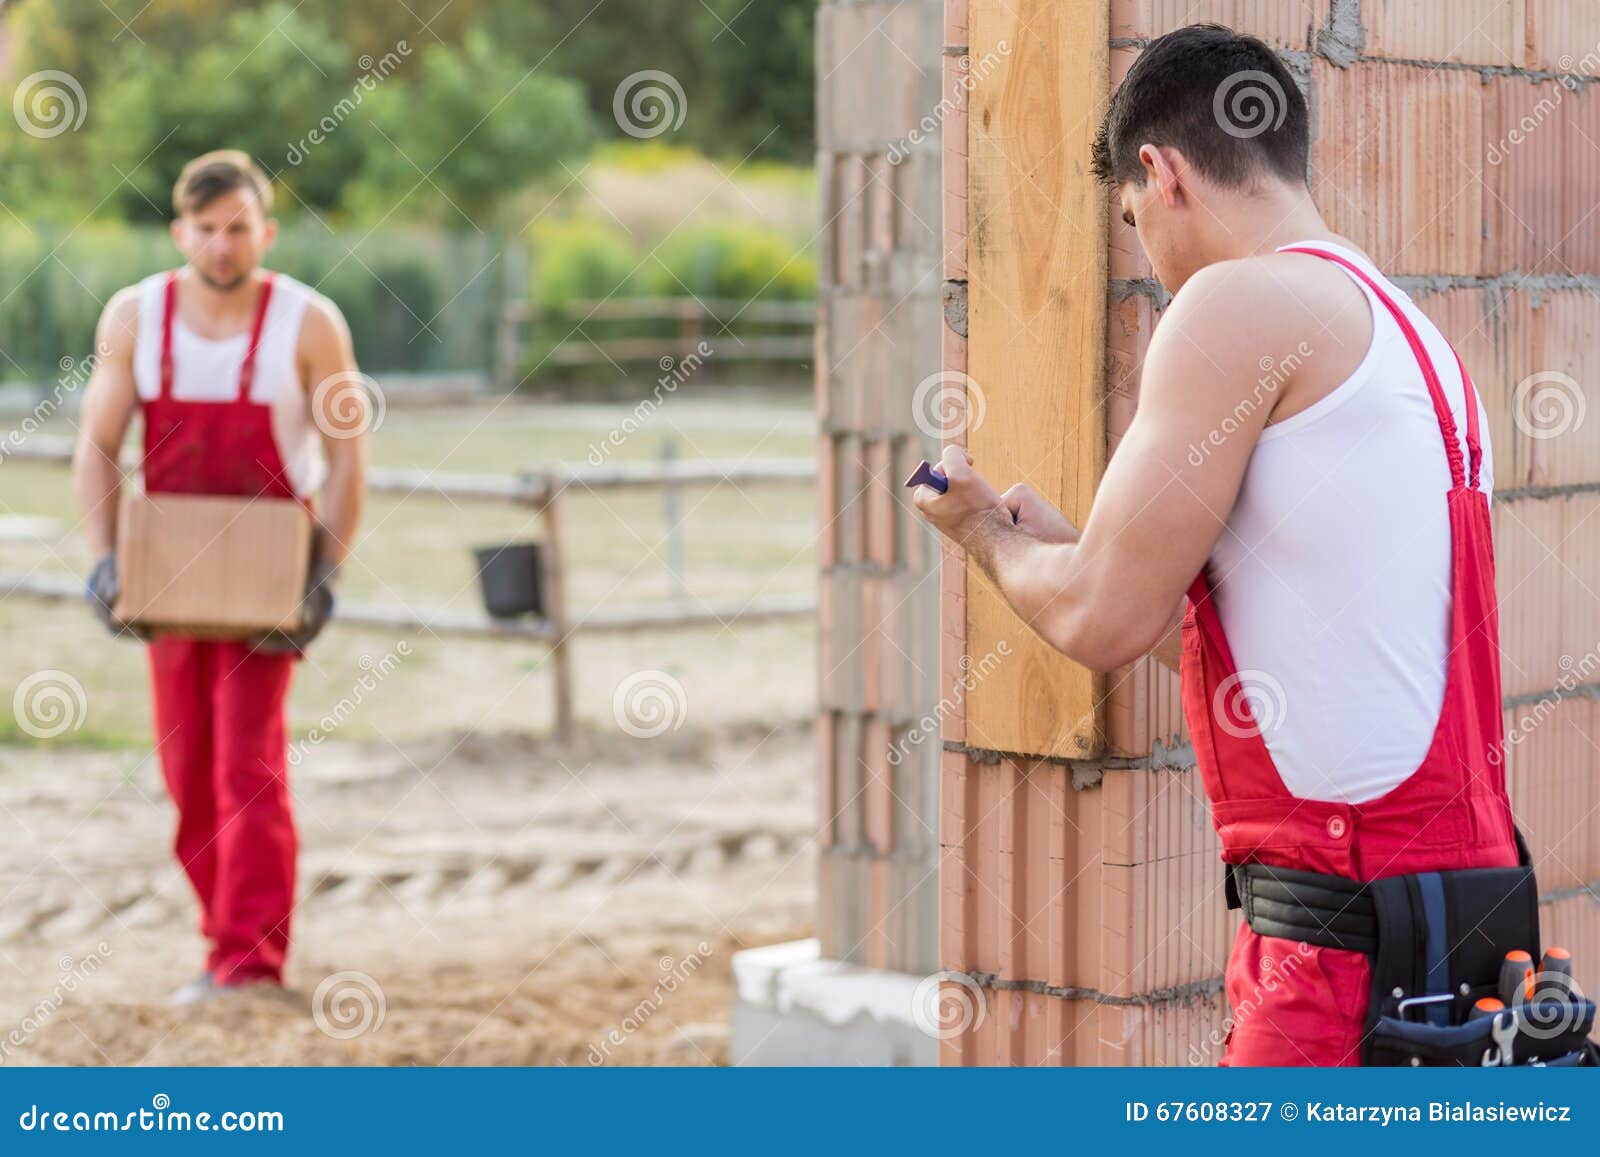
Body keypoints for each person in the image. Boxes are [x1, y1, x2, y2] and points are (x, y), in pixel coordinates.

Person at [910, 25, 1519, 1065]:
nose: (1146, 254)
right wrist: (1095, 556)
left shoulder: (1235, 305)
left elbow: (1100, 621)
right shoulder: (1413, 340)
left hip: (1340, 957)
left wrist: (974, 528)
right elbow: (1292, 657)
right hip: (1463, 944)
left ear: (1161, 171)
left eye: (1132, 216)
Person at [72, 150, 369, 1004]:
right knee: (186, 769)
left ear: (264, 232)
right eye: (206, 228)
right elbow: (96, 444)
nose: (222, 244)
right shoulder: (135, 315)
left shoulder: (310, 323)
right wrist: (105, 558)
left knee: (248, 763)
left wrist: (326, 571)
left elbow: (349, 455)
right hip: (169, 577)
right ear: (181, 232)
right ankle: (223, 941)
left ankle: (250, 961)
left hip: (268, 579)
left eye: (239, 227)